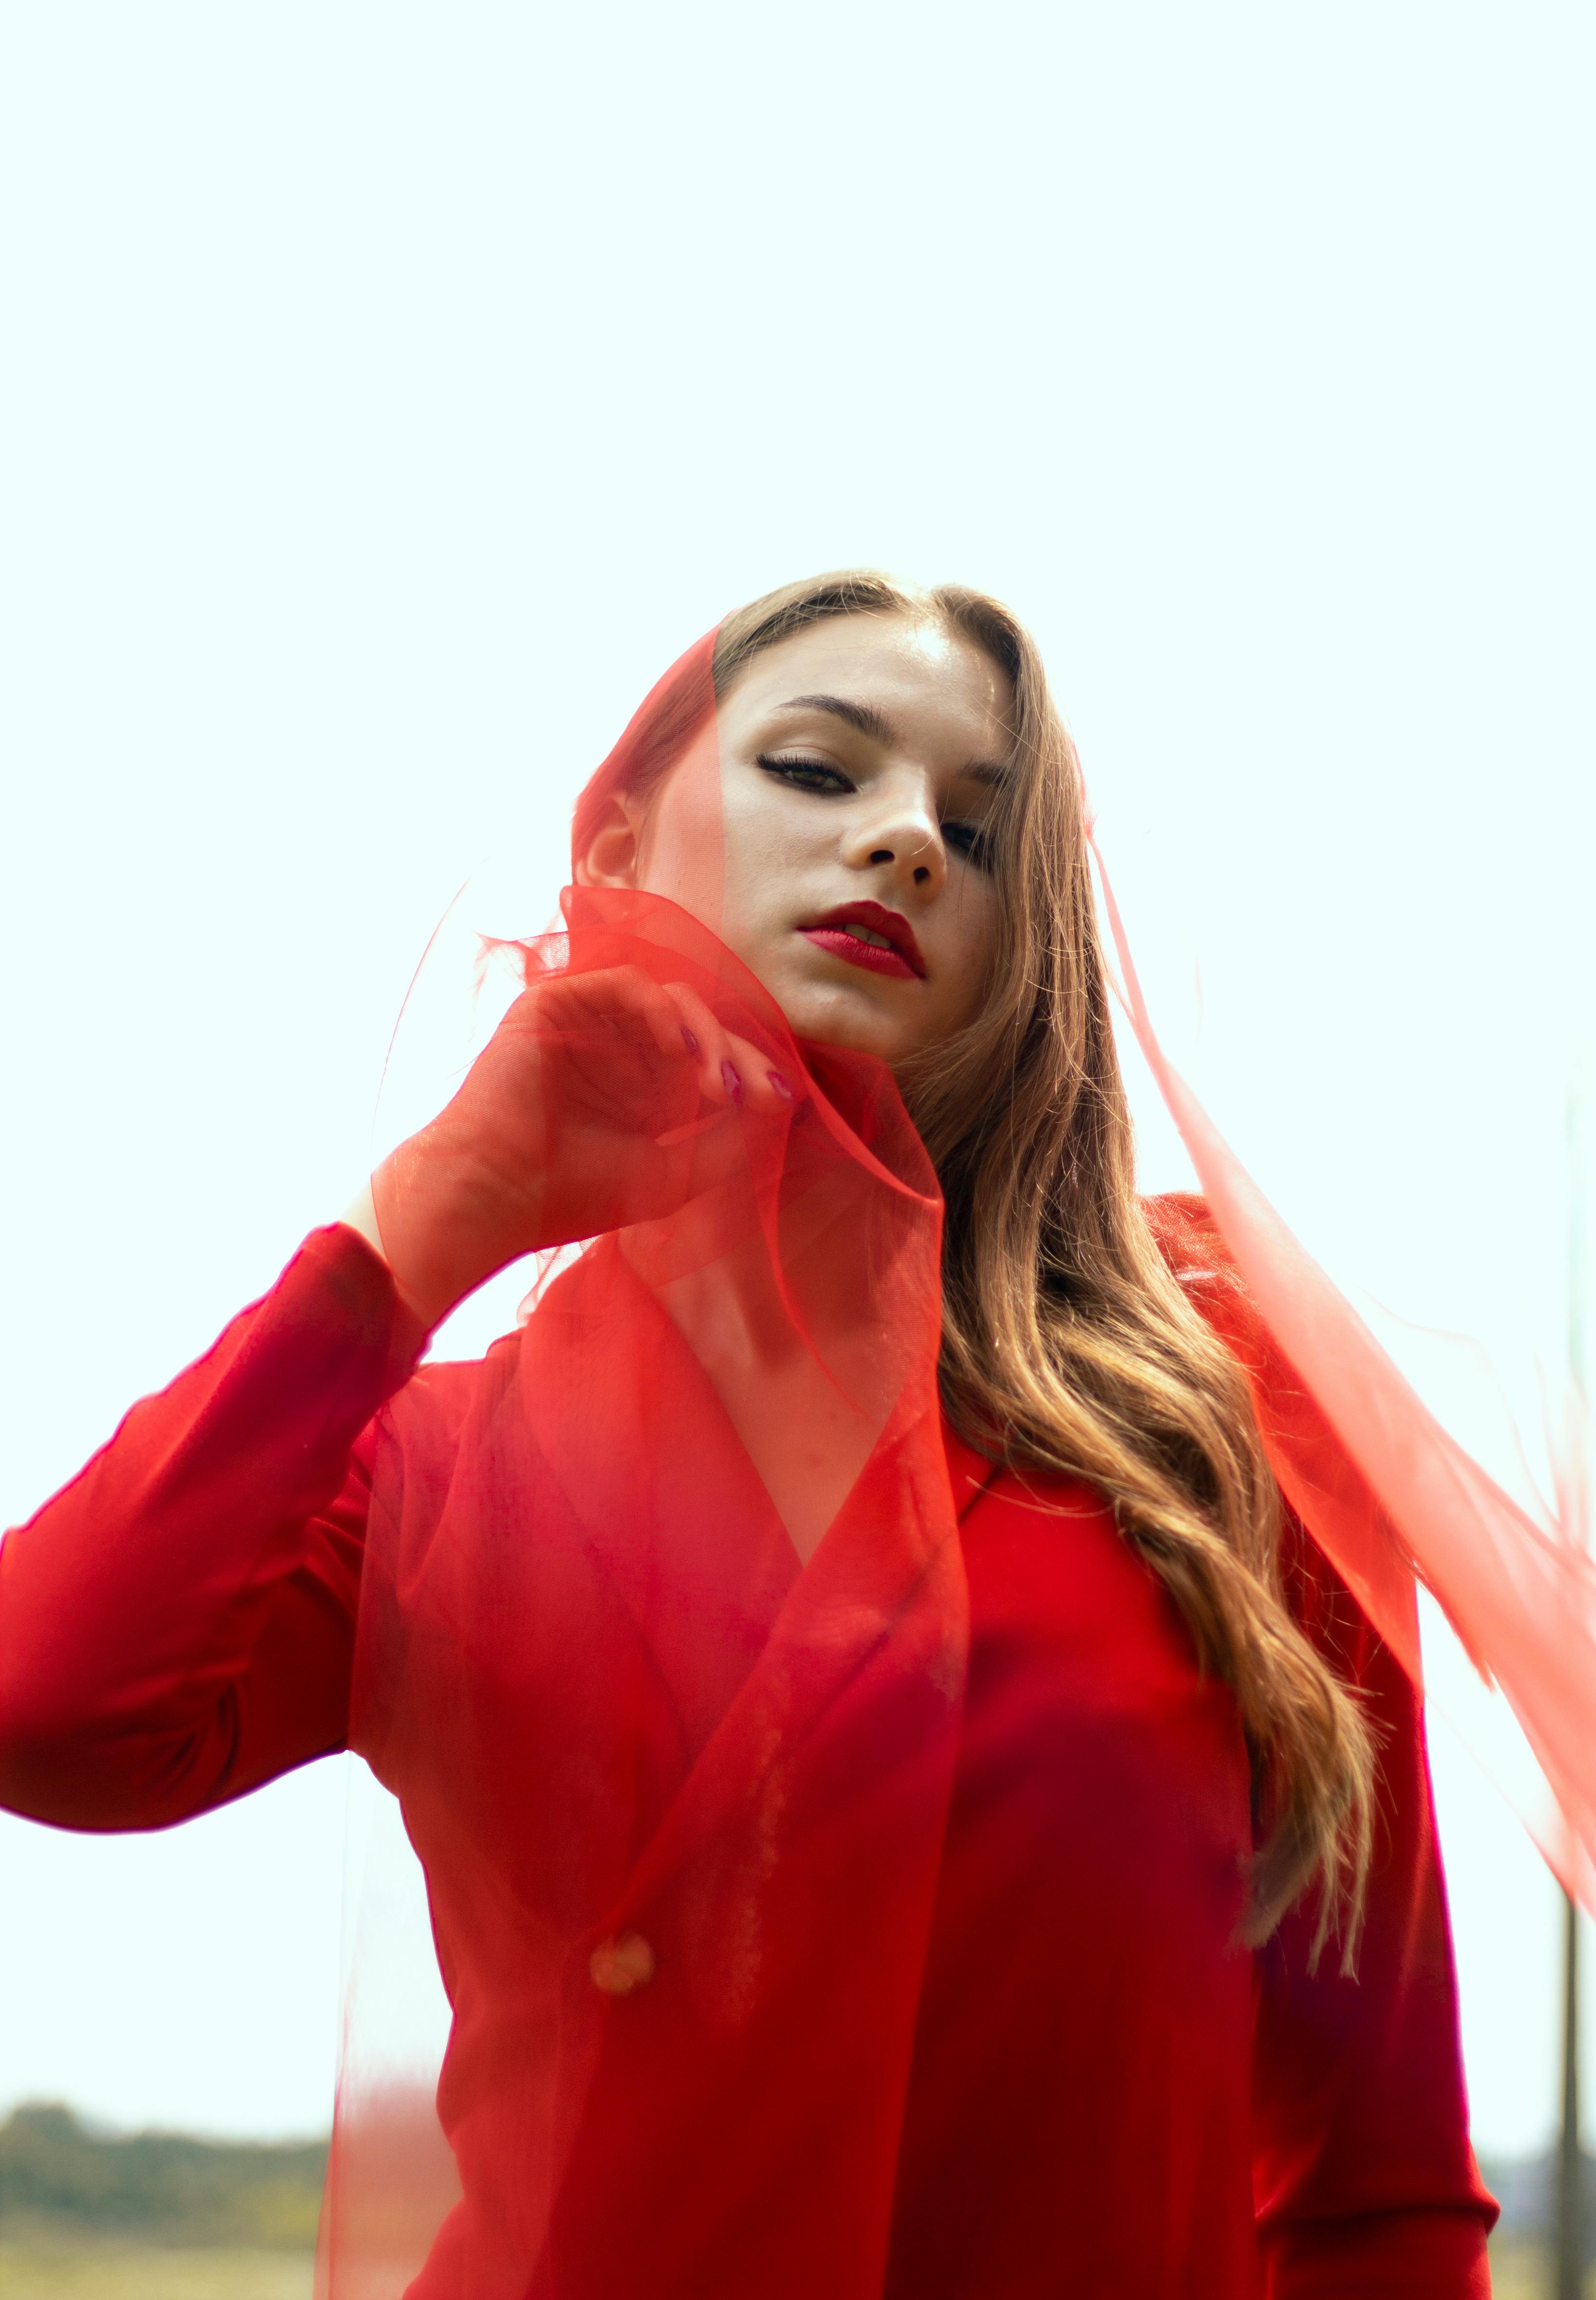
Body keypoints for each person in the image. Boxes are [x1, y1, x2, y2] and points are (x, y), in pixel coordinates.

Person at [0, 571, 1497, 2296]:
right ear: (623, 845)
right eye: (818, 769)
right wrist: (413, 1235)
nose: (909, 841)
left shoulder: (1219, 1417)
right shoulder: (423, 1464)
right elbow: (51, 1713)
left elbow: (1375, 2191)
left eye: (982, 831)